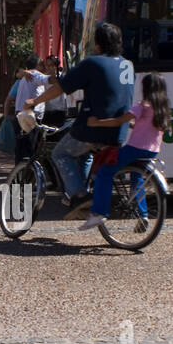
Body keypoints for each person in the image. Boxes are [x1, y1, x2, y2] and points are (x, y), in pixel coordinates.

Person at [24, 24, 134, 207]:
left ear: (97, 44)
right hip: (119, 131)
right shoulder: (128, 65)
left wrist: (34, 101)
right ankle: (81, 193)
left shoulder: (93, 63)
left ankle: (79, 195)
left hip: (93, 128)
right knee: (84, 154)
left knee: (60, 153)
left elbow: (60, 87)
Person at [79, 73, 172, 230]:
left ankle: (99, 213)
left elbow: (118, 121)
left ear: (146, 88)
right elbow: (144, 127)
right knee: (137, 178)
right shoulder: (162, 109)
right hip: (152, 152)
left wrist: (96, 122)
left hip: (134, 149)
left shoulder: (141, 106)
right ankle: (143, 215)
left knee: (104, 172)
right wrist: (132, 125)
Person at [40, 56, 68, 128]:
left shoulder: (61, 77)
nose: (49, 68)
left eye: (51, 65)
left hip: (59, 112)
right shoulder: (43, 79)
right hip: (47, 112)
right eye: (47, 65)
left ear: (56, 66)